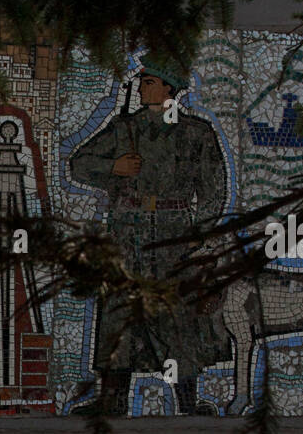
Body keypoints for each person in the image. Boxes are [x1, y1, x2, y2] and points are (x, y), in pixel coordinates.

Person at [67, 53, 229, 415]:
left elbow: (213, 190)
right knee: (118, 311)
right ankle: (112, 399)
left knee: (176, 313)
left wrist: (196, 238)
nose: (141, 88)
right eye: (141, 82)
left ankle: (187, 400)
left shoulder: (196, 133)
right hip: (127, 228)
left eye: (149, 82)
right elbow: (79, 163)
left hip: (173, 233)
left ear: (170, 88)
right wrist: (114, 167)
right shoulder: (125, 128)